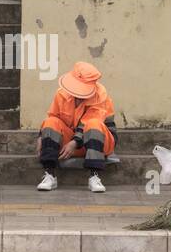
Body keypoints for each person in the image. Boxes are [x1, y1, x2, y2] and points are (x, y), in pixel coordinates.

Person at [36, 61, 116, 193]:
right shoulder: (61, 94)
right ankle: (50, 174)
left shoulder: (101, 95)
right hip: (71, 144)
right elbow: (53, 116)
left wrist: (74, 143)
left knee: (94, 123)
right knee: (51, 122)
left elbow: (88, 121)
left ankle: (94, 176)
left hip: (99, 144)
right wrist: (41, 136)